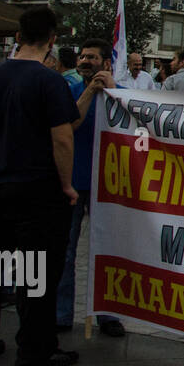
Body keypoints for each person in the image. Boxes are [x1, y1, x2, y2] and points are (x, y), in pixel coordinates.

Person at [0, 6, 80, 366]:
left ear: (17, 37)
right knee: (37, 273)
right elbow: (62, 139)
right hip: (39, 190)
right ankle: (35, 349)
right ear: (52, 40)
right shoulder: (50, 82)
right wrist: (66, 185)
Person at [59, 39, 125, 338]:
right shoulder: (68, 92)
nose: (85, 61)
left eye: (92, 57)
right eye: (82, 57)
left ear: (106, 63)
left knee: (106, 250)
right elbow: (69, 123)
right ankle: (61, 313)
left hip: (108, 185)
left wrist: (113, 91)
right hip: (74, 181)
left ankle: (108, 314)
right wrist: (89, 92)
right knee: (66, 251)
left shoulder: (121, 93)